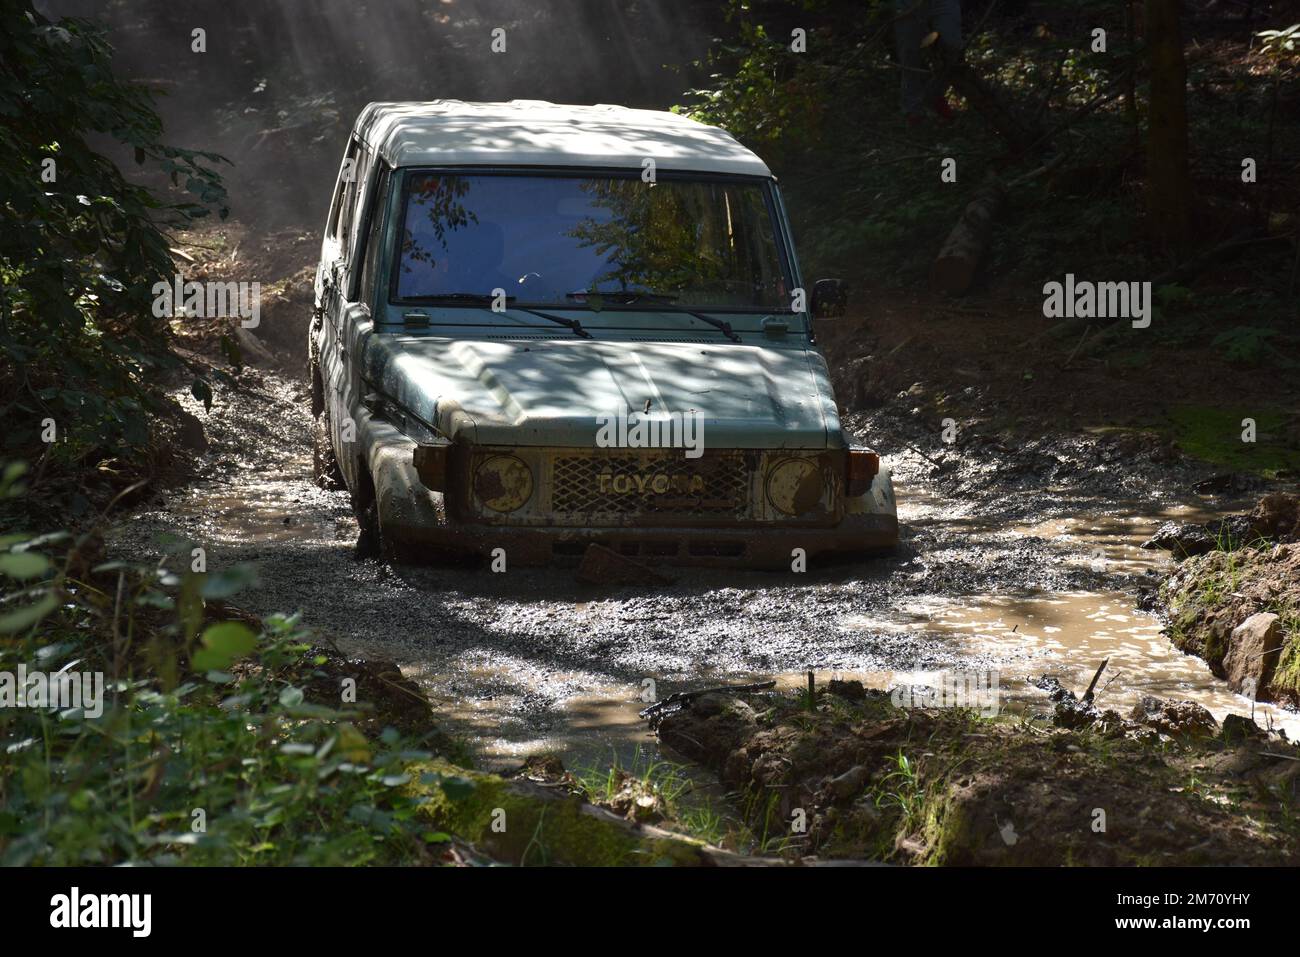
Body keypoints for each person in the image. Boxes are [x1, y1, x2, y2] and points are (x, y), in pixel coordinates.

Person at [894, 0, 962, 123]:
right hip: (906, 4)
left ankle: (933, 96)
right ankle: (913, 110)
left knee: (953, 48)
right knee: (909, 55)